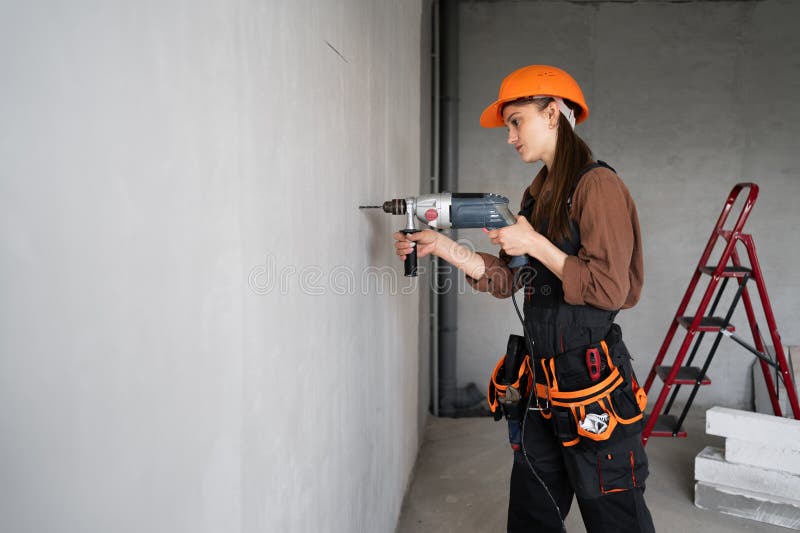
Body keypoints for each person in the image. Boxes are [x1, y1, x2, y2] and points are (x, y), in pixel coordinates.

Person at [393, 65, 656, 533]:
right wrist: (440, 246)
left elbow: (611, 289)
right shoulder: (538, 194)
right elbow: (509, 282)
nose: (510, 136)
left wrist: (535, 244)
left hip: (593, 387)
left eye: (517, 121)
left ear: (553, 113)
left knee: (617, 520)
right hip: (540, 386)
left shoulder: (598, 187)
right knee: (532, 518)